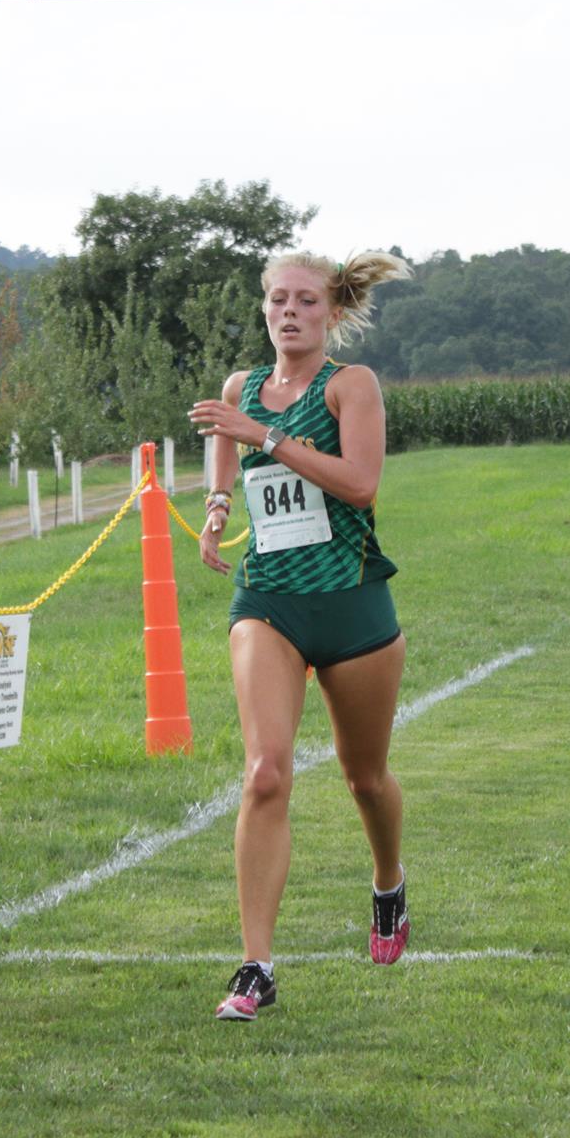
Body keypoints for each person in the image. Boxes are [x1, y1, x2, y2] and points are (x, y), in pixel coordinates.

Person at [187, 250, 414, 1021]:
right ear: (264, 308)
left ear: (330, 310)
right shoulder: (240, 390)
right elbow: (224, 437)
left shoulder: (352, 386)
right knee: (265, 773)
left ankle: (389, 883)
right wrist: (218, 504)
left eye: (305, 301)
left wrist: (268, 435)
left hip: (352, 605)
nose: (289, 311)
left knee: (365, 779)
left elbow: (361, 482)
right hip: (270, 600)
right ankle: (256, 967)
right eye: (277, 299)